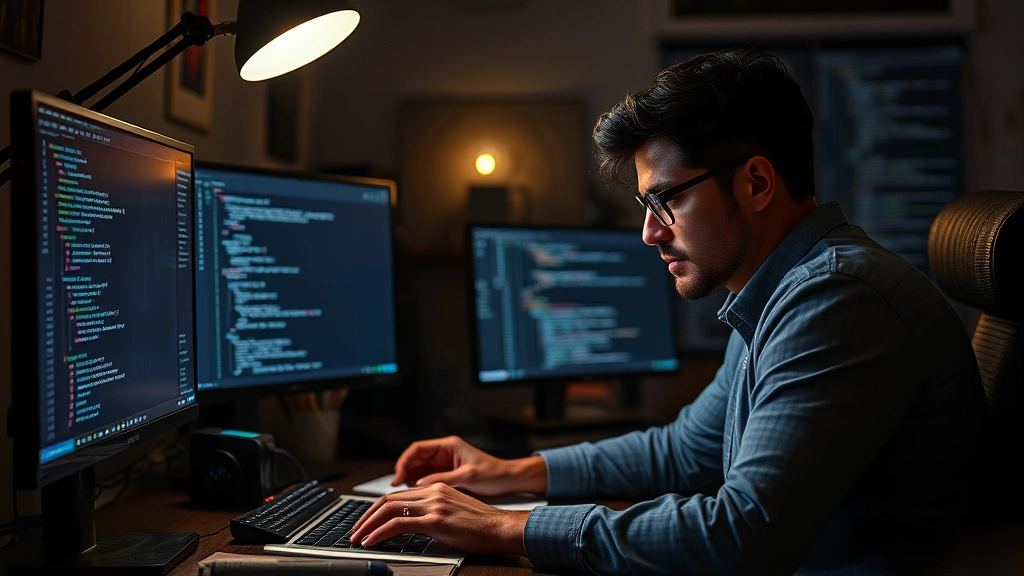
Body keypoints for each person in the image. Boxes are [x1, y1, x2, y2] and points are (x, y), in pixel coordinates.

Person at [350, 49, 992, 574]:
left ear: (757, 183)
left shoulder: (837, 297)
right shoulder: (777, 288)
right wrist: (506, 473)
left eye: (666, 202)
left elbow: (742, 534)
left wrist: (506, 526)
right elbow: (687, 451)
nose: (650, 234)